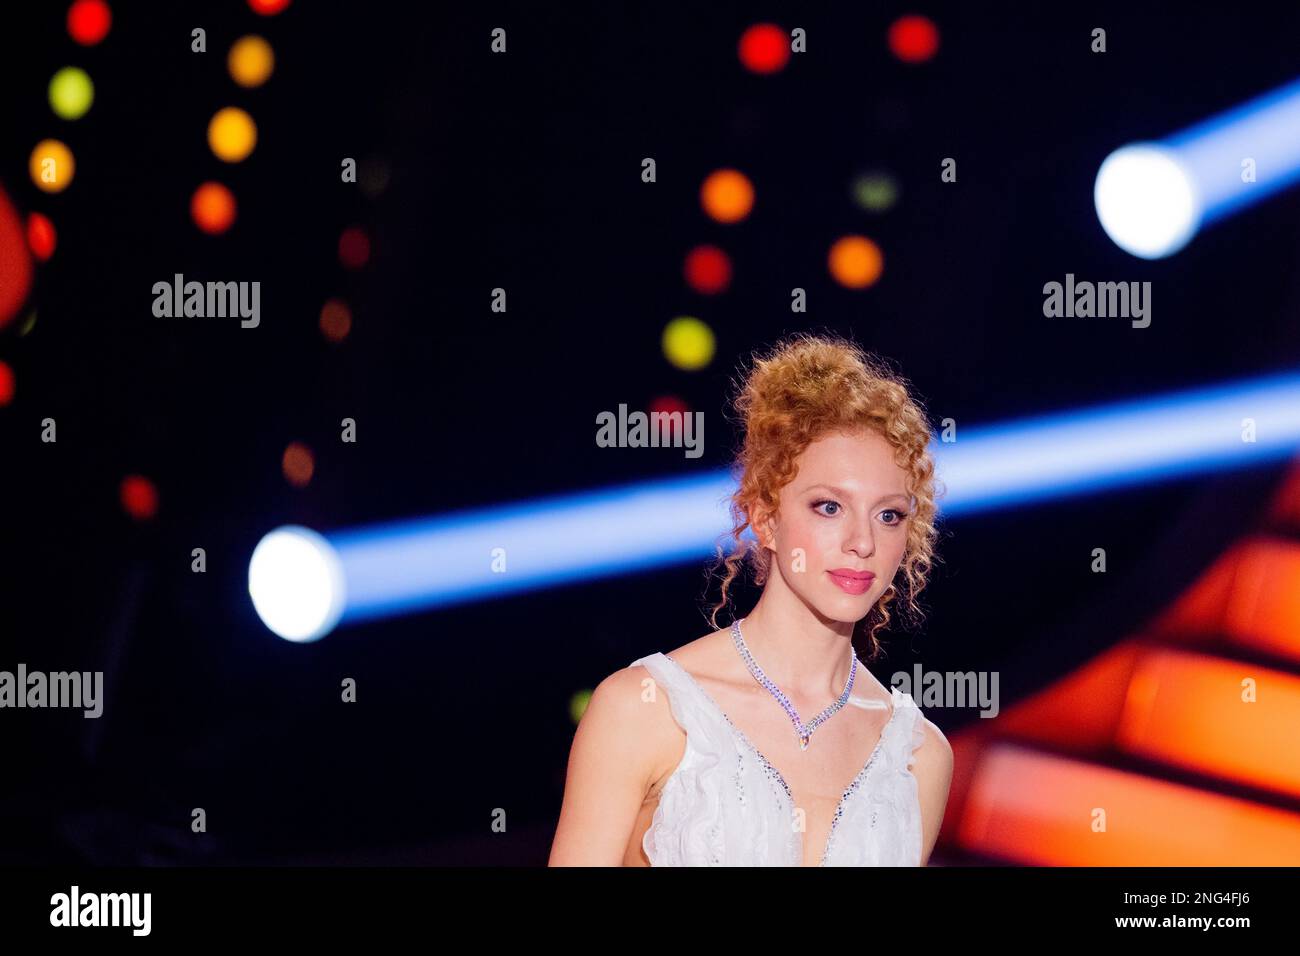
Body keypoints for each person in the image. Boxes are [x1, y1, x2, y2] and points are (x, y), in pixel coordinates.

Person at [549, 332, 953, 866]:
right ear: (764, 517)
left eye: (889, 515)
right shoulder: (645, 711)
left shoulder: (919, 756)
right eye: (829, 507)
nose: (862, 542)